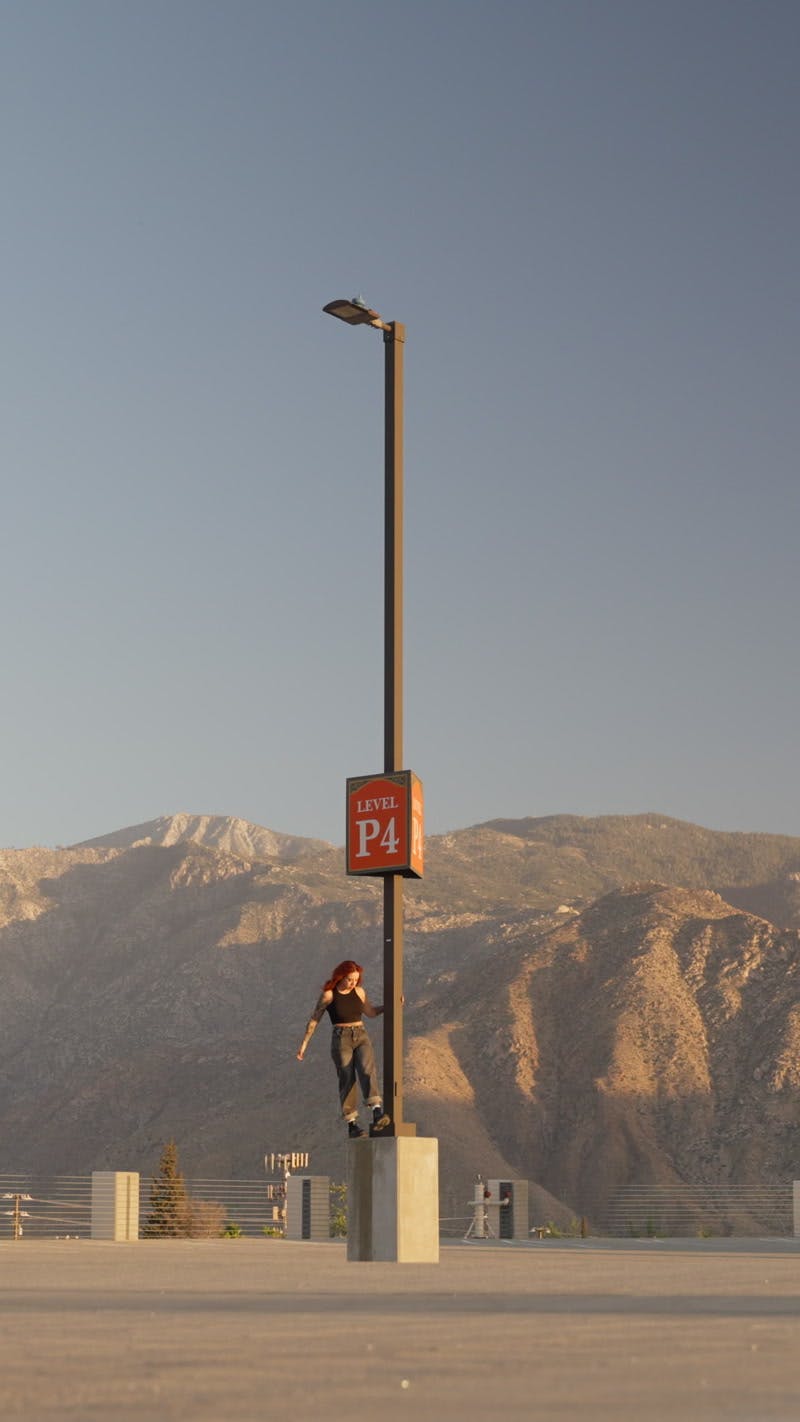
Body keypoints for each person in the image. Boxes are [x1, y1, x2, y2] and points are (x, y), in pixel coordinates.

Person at [296, 959, 390, 1137]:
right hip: (341, 1038)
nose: (353, 983)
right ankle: (352, 1124)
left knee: (367, 1069)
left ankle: (377, 1111)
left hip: (361, 1034)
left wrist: (390, 1005)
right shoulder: (329, 996)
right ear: (340, 977)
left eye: (356, 979)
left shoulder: (359, 992)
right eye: (349, 979)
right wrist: (304, 1045)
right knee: (346, 1077)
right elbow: (314, 1020)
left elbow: (370, 1013)